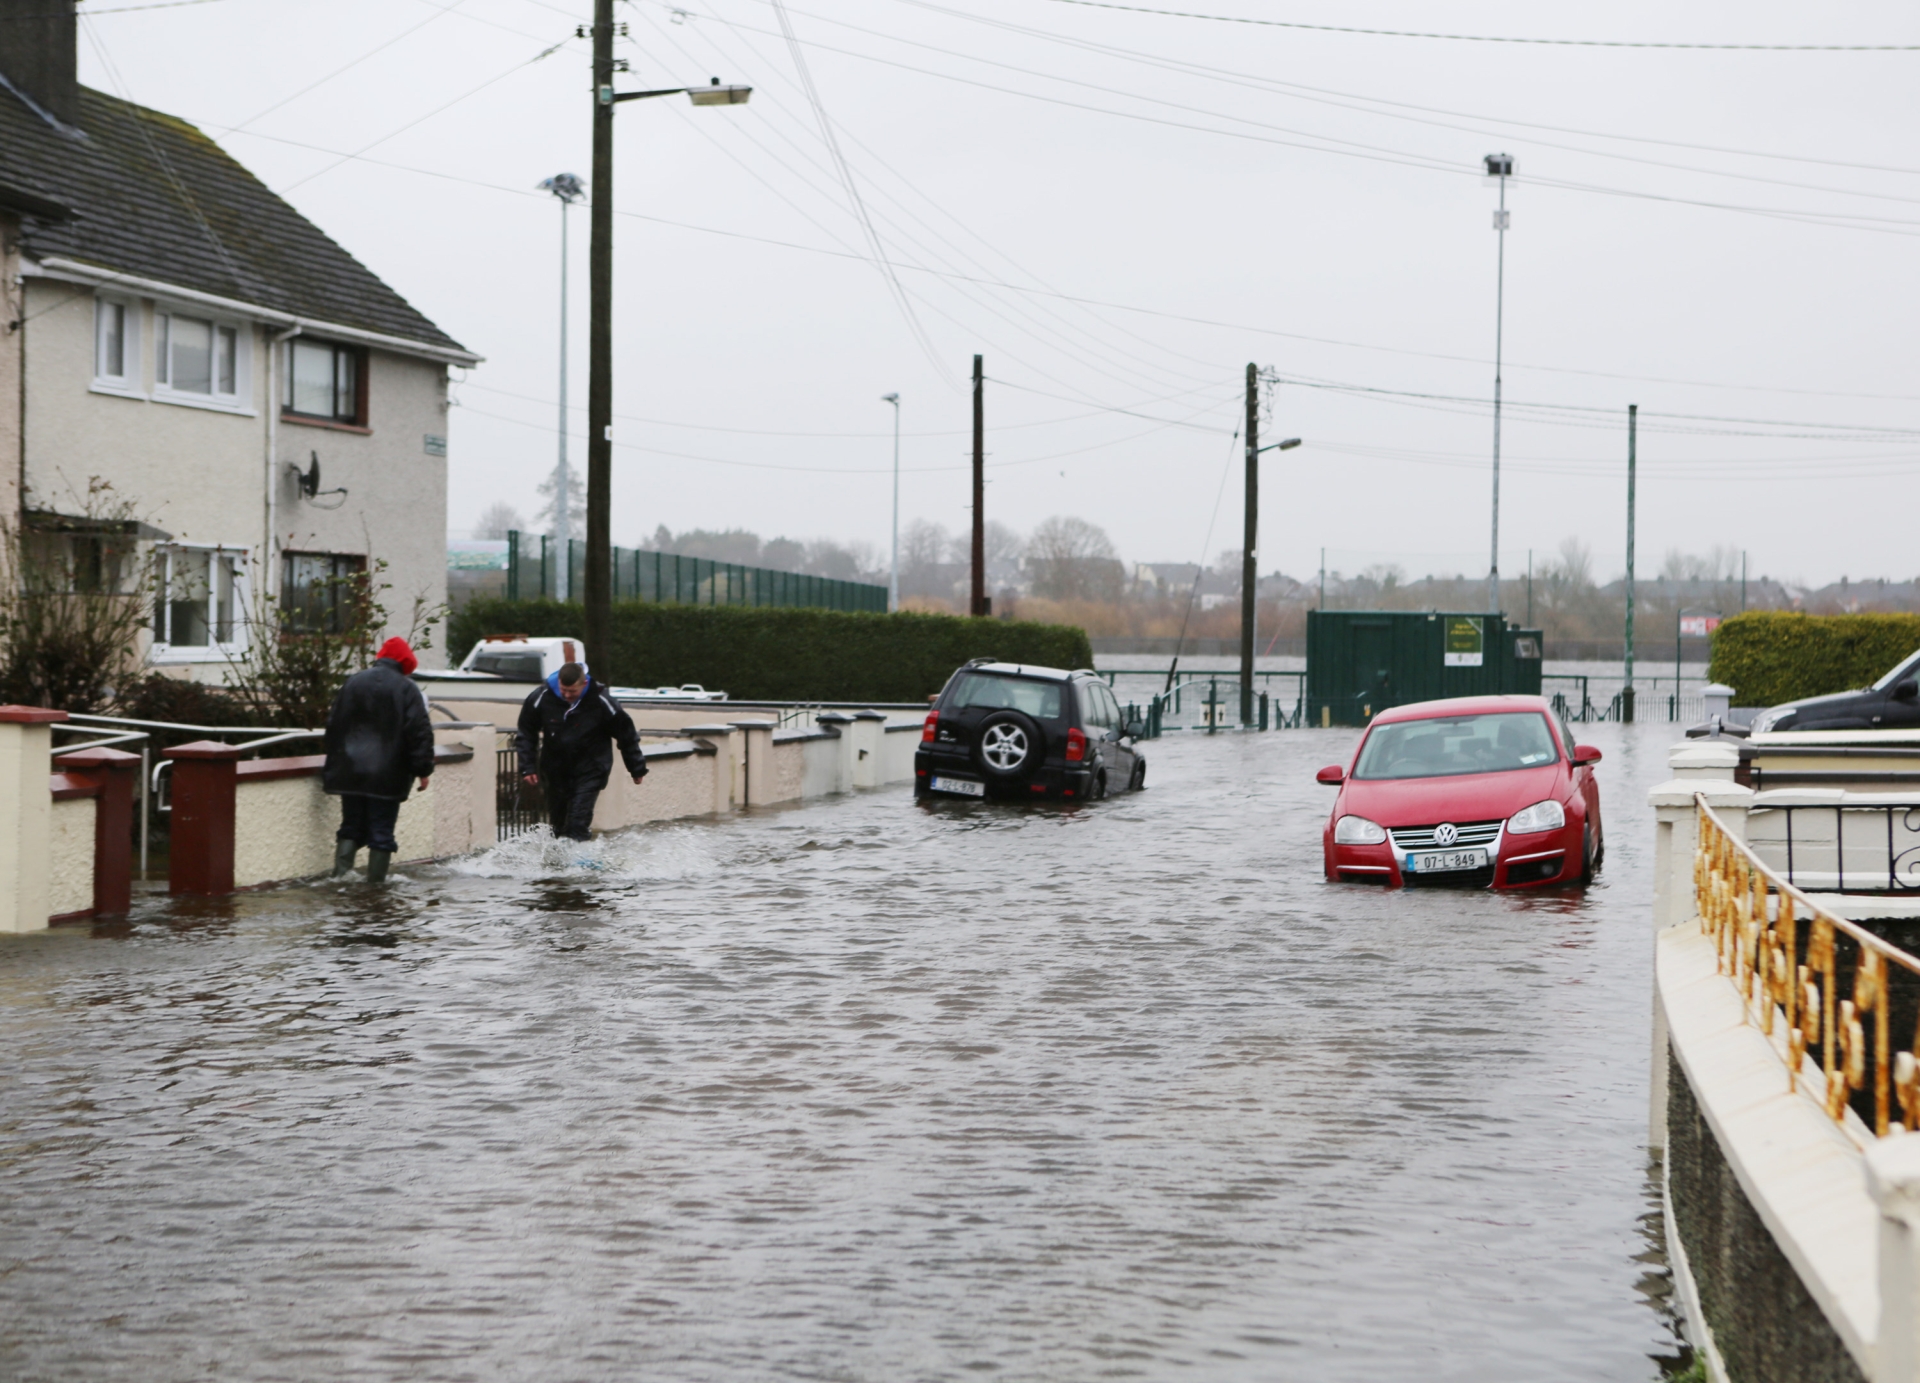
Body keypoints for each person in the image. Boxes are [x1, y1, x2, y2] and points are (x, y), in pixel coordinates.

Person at [323, 636, 435, 882]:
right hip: (388, 773)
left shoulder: (352, 682)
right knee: (382, 831)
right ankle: (375, 890)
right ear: (406, 663)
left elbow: (333, 725)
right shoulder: (407, 689)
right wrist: (423, 769)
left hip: (350, 770)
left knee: (350, 824)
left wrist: (336, 762)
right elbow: (419, 733)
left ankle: (340, 879)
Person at [516, 661, 646, 841]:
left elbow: (626, 734)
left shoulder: (601, 700)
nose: (567, 695)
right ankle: (559, 864)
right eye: (564, 690)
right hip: (555, 769)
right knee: (558, 825)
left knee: (578, 820)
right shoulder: (541, 697)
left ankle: (578, 862)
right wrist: (527, 767)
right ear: (559, 682)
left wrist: (636, 767)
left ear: (583, 684)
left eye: (572, 692)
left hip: (591, 768)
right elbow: (526, 732)